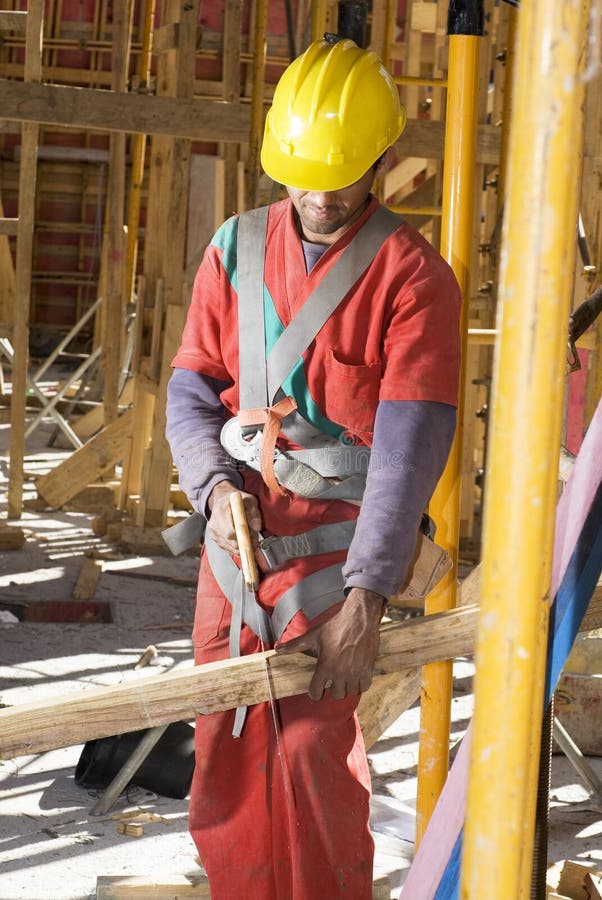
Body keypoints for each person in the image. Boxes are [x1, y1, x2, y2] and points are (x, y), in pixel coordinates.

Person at [166, 36, 461, 900]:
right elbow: (193, 385)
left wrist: (368, 598)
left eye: (341, 176)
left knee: (310, 756)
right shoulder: (233, 247)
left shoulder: (413, 278)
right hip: (239, 539)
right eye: (301, 174)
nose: (320, 196)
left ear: (380, 162)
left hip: (340, 554)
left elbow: (409, 455)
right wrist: (214, 491)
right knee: (225, 749)